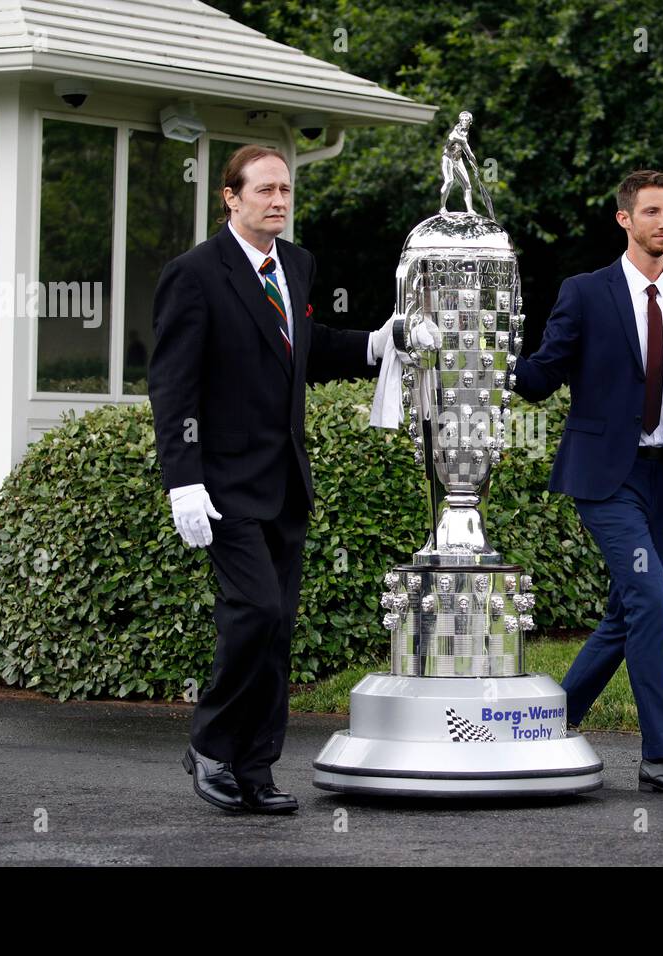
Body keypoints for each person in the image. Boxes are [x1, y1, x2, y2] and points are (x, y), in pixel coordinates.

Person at [147, 145, 410, 814]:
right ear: (230, 198)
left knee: (278, 628)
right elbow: (173, 387)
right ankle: (211, 748)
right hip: (222, 486)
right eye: (264, 189)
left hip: (285, 481)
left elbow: (303, 349)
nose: (279, 200)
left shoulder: (294, 265)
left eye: (285, 189)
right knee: (253, 612)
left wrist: (375, 344)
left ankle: (255, 767)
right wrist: (184, 479)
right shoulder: (194, 275)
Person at [511, 169, 663, 795]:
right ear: (625, 220)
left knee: (626, 612)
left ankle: (544, 727)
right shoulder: (586, 293)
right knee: (649, 599)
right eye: (650, 212)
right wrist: (496, 358)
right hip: (605, 478)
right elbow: (543, 374)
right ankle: (661, 758)